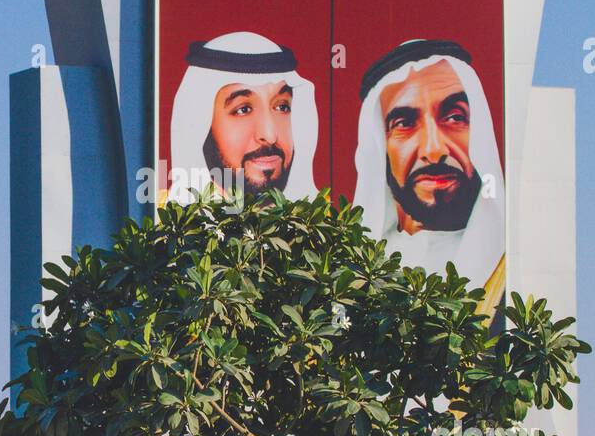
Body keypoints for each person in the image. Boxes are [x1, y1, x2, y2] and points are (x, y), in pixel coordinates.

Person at [352, 39, 505, 309]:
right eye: (404, 123)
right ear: (381, 148)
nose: (433, 151)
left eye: (455, 117)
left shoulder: (511, 272)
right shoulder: (349, 283)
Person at [168, 31, 319, 202]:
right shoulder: (160, 224)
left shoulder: (328, 226)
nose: (270, 135)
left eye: (282, 107)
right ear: (200, 124)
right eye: (243, 110)